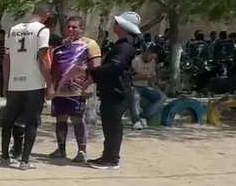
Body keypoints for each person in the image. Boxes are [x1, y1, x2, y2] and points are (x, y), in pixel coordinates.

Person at [0, 4, 54, 169]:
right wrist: (49, 84)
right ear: (46, 14)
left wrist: (6, 83)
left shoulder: (13, 30)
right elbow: (43, 59)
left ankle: (4, 156)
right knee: (31, 123)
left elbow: (7, 60)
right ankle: (25, 161)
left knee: (9, 122)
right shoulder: (42, 30)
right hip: (33, 84)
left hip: (14, 84)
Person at [87, 12, 140, 171]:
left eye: (118, 23)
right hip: (112, 89)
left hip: (118, 91)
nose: (115, 25)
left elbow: (114, 67)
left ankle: (112, 159)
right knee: (109, 125)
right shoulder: (121, 44)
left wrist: (91, 72)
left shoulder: (125, 47)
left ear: (123, 27)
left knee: (113, 126)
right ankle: (107, 155)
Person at [47, 16, 101, 163]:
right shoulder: (59, 47)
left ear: (82, 29)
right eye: (68, 27)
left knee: (77, 119)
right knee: (60, 119)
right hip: (59, 90)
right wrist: (50, 87)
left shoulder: (90, 44)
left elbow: (96, 67)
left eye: (74, 27)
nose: (70, 29)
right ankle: (61, 149)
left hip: (78, 90)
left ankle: (82, 151)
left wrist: (90, 84)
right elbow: (52, 69)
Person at [130, 49, 167, 129]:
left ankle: (144, 116)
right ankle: (136, 121)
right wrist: (143, 77)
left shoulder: (152, 62)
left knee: (161, 97)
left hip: (145, 87)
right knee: (135, 97)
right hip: (134, 86)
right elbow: (130, 76)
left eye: (152, 58)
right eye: (150, 56)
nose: (150, 59)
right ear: (145, 53)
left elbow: (152, 76)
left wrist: (153, 85)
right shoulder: (136, 61)